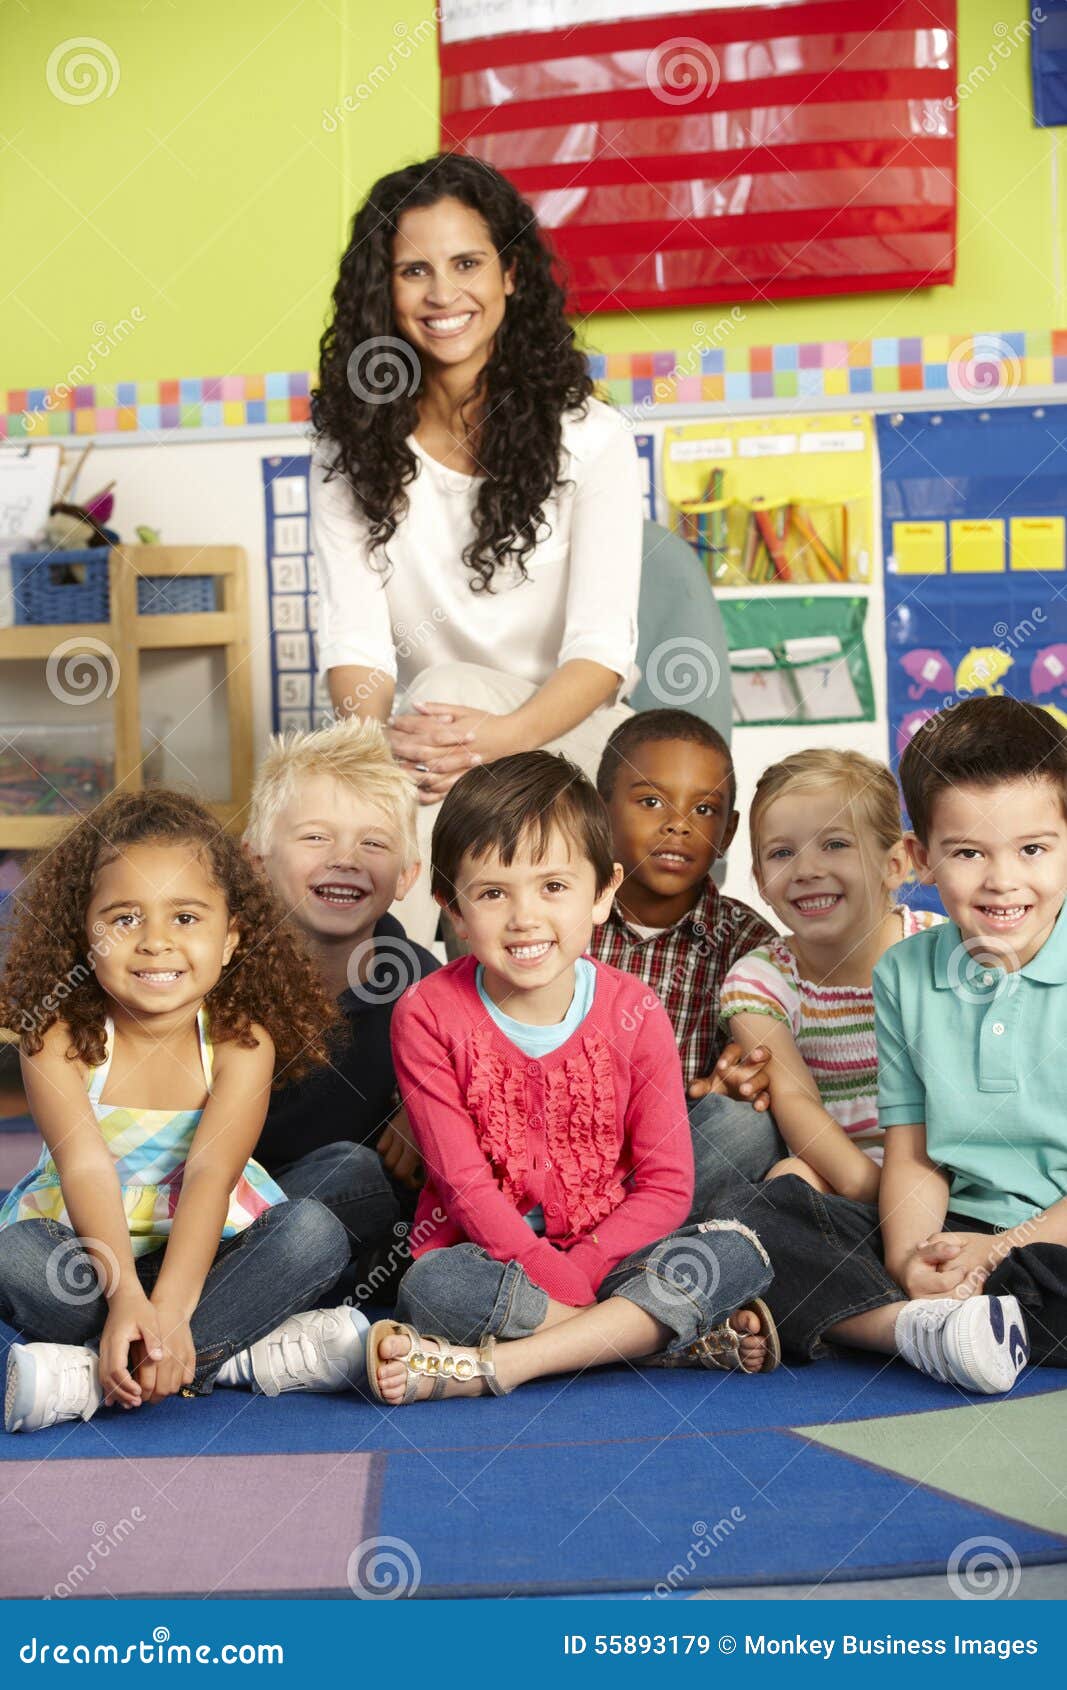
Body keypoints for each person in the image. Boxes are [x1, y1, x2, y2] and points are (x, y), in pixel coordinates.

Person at [365, 751, 778, 1406]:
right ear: (452, 907)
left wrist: (580, 1270)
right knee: (430, 1288)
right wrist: (556, 1276)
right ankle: (658, 1338)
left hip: (615, 1250)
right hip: (490, 1258)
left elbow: (668, 1185)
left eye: (553, 887)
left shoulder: (633, 1010)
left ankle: (500, 1366)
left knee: (736, 1253)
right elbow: (465, 1189)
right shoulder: (425, 1013)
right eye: (493, 892)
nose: (525, 917)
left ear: (602, 892)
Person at [309, 151, 643, 945]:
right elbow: (356, 644)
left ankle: (411, 992)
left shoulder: (592, 439)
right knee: (325, 799)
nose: (442, 293)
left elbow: (600, 657)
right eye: (413, 270)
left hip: (569, 739)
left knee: (444, 685)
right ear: (381, 293)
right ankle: (374, 1002)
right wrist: (371, 754)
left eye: (466, 263)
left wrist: (492, 737)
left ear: (511, 276)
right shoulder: (346, 446)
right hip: (433, 747)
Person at [721, 698, 1067, 1393]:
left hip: (1050, 1240)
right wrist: (913, 1252)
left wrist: (997, 1250)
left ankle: (946, 1317)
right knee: (763, 1221)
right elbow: (912, 1152)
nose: (1001, 881)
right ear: (923, 858)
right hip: (958, 1223)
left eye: (1031, 849)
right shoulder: (905, 973)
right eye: (967, 853)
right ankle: (921, 1325)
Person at [0, 791, 369, 1434]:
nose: (156, 943)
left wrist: (168, 1304)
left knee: (312, 1232)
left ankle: (93, 1373)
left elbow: (209, 1174)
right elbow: (86, 1168)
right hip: (90, 1253)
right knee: (15, 1258)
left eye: (187, 919)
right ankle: (236, 1352)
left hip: (206, 1254)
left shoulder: (240, 1042)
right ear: (82, 933)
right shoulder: (56, 1039)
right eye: (123, 918)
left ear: (230, 939)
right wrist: (125, 1300)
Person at [244, 718, 438, 1295]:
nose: (346, 859)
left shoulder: (428, 991)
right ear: (255, 863)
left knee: (353, 1172)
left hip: (356, 1232)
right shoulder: (214, 975)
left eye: (373, 843)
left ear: (405, 876)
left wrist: (426, 1099)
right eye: (315, 837)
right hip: (223, 1211)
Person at [721, 749, 939, 1200]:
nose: (806, 870)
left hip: (945, 1173)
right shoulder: (761, 979)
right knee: (789, 1180)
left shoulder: (943, 951)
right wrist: (882, 1198)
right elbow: (795, 1100)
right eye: (782, 853)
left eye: (835, 844)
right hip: (846, 1180)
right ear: (760, 880)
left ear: (894, 864)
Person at [591, 710, 781, 1211]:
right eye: (651, 801)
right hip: (556, 1146)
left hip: (672, 1163)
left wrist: (739, 1083)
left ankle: (624, 1243)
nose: (678, 824)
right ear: (598, 809)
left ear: (728, 831)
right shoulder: (558, 915)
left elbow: (758, 1068)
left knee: (747, 1127)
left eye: (703, 810)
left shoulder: (750, 943)